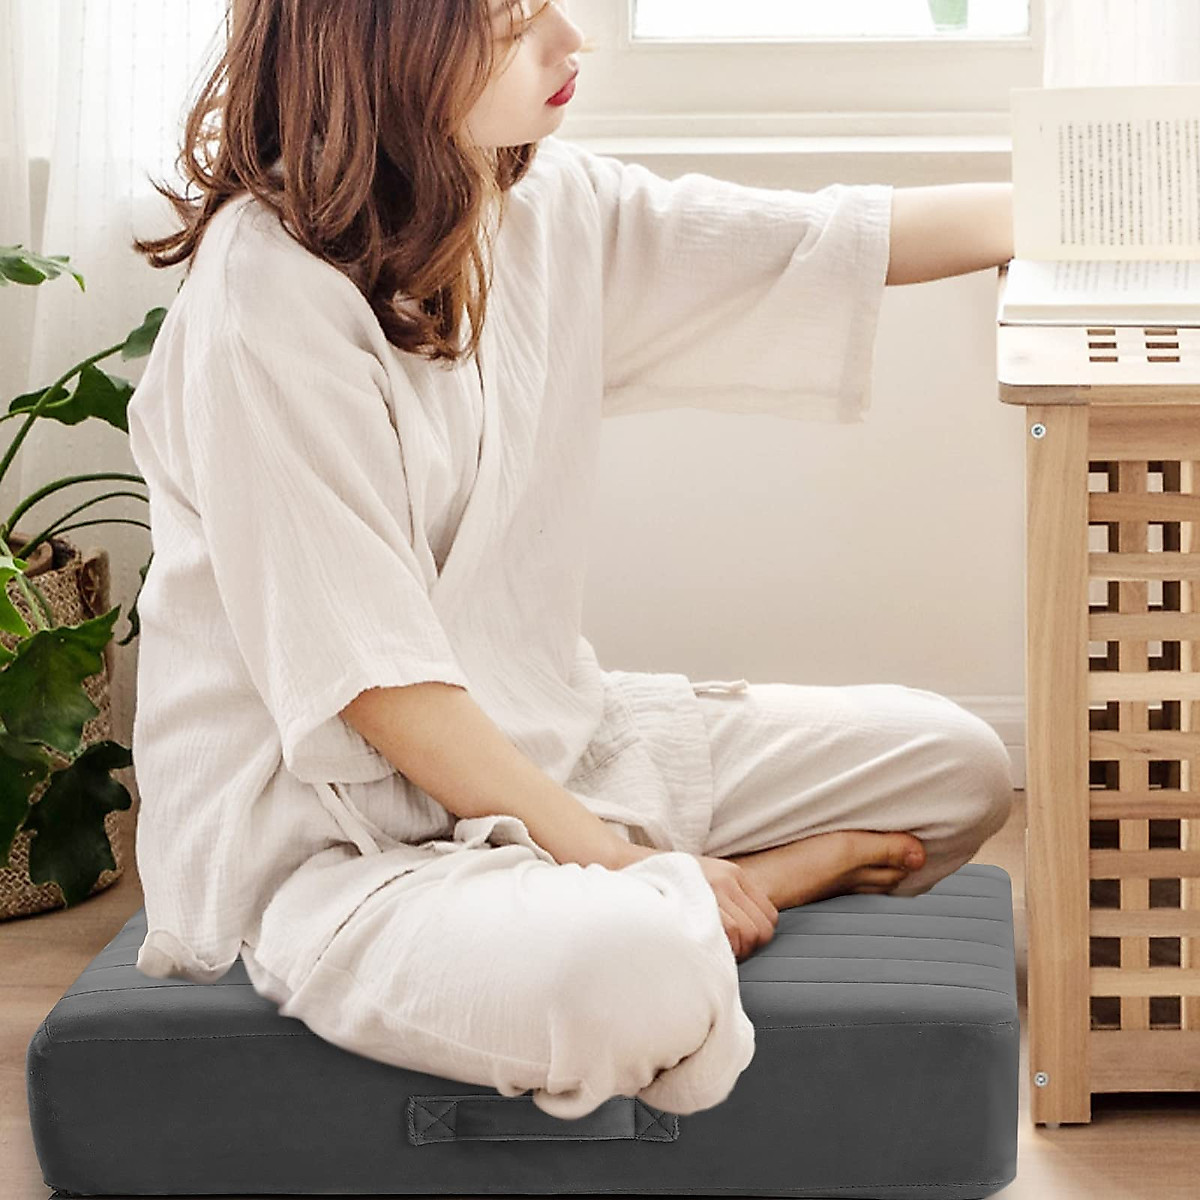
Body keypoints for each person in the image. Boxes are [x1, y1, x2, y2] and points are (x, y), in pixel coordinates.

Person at [126, 0, 1016, 1120]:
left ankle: (679, 892)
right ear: (386, 44)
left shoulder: (530, 203)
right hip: (341, 844)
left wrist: (1095, 210)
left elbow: (824, 239)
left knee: (959, 766)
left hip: (549, 742)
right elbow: (377, 688)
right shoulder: (264, 294)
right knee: (630, 979)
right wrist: (621, 864)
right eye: (515, 23)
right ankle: (705, 894)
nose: (570, 39)